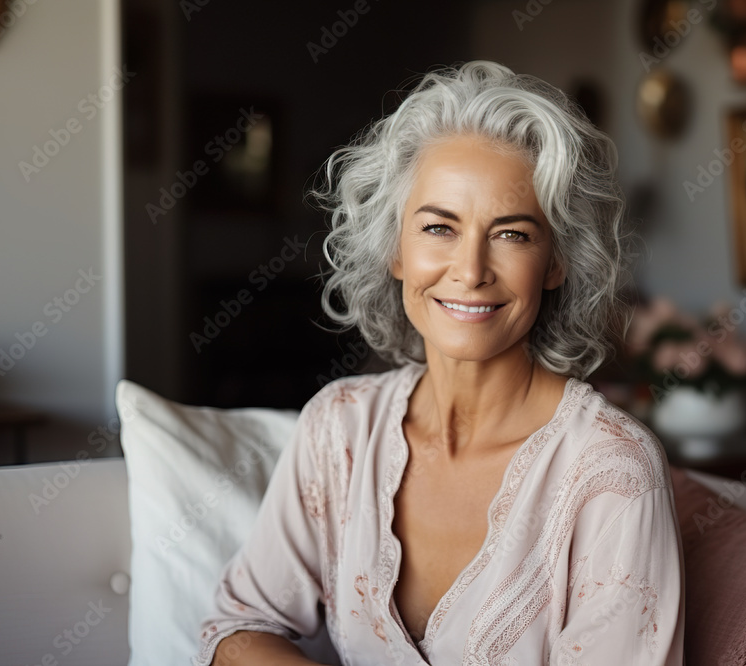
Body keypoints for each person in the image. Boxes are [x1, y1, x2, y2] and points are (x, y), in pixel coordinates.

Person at [193, 60, 686, 666]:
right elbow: (238, 628)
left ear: (556, 263)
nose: (471, 270)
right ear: (395, 250)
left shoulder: (612, 472)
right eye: (438, 228)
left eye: (512, 234)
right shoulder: (340, 429)